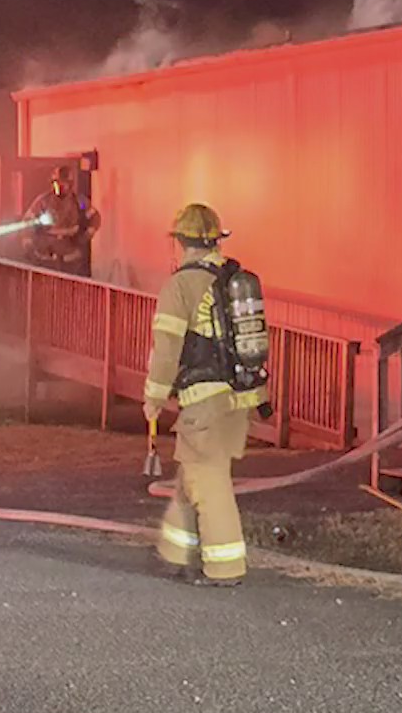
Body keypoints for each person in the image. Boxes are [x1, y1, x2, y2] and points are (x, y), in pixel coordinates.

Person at [142, 203, 265, 587]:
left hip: (204, 401)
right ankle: (174, 554)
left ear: (180, 241)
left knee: (209, 483)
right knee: (191, 477)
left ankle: (225, 568)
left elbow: (167, 350)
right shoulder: (230, 280)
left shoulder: (181, 286)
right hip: (238, 399)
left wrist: (154, 397)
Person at [22, 165, 100, 276]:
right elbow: (27, 222)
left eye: (62, 184)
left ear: (70, 184)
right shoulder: (43, 201)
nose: (59, 187)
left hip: (70, 258)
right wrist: (28, 242)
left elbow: (94, 218)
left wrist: (85, 236)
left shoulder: (79, 202)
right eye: (56, 184)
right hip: (46, 258)